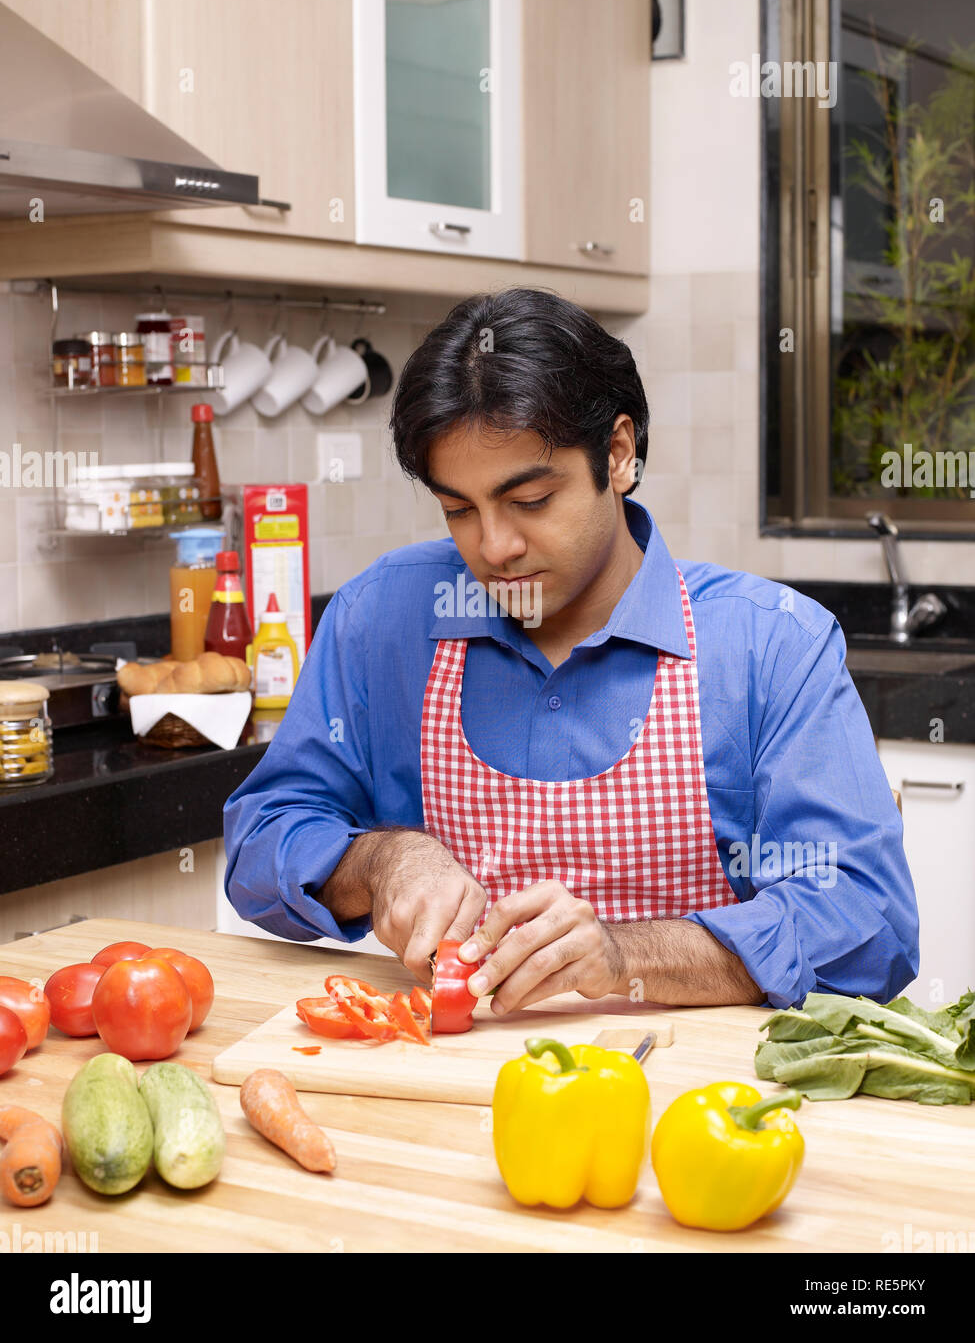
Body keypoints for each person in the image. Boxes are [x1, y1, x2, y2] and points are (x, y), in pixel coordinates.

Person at [224, 288, 918, 1013]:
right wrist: (378, 860)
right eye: (458, 509)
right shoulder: (382, 619)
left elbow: (868, 923)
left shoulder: (770, 643)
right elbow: (260, 838)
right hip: (442, 1076)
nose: (494, 548)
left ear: (617, 454)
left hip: (695, 1098)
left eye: (529, 501)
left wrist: (627, 956)